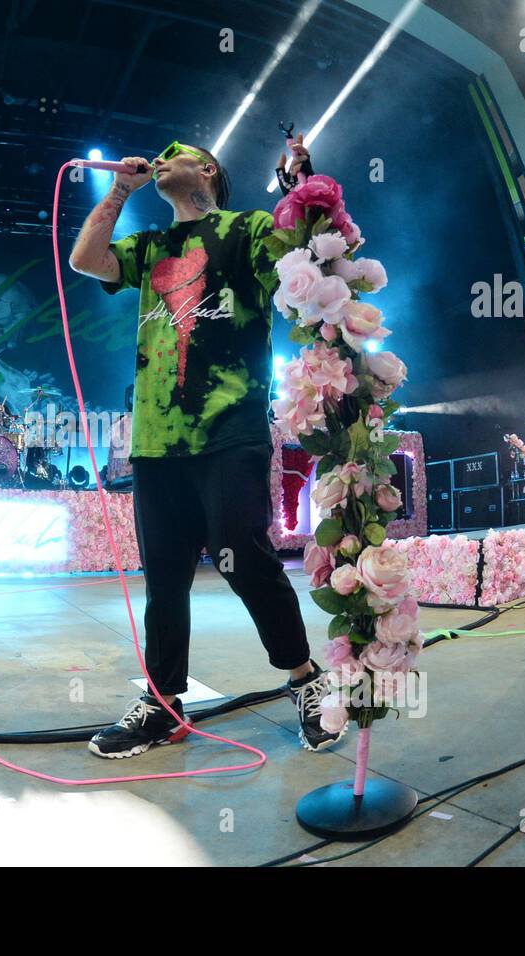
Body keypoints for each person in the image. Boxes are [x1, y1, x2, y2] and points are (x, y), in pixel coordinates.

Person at [68, 139, 344, 758]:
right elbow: (86, 260)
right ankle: (163, 705)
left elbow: (306, 257)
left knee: (241, 557)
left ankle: (304, 679)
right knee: (164, 578)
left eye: (174, 153)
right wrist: (119, 191)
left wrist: (301, 186)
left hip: (228, 428)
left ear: (208, 170)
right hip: (157, 440)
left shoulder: (244, 229)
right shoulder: (150, 249)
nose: (158, 158)